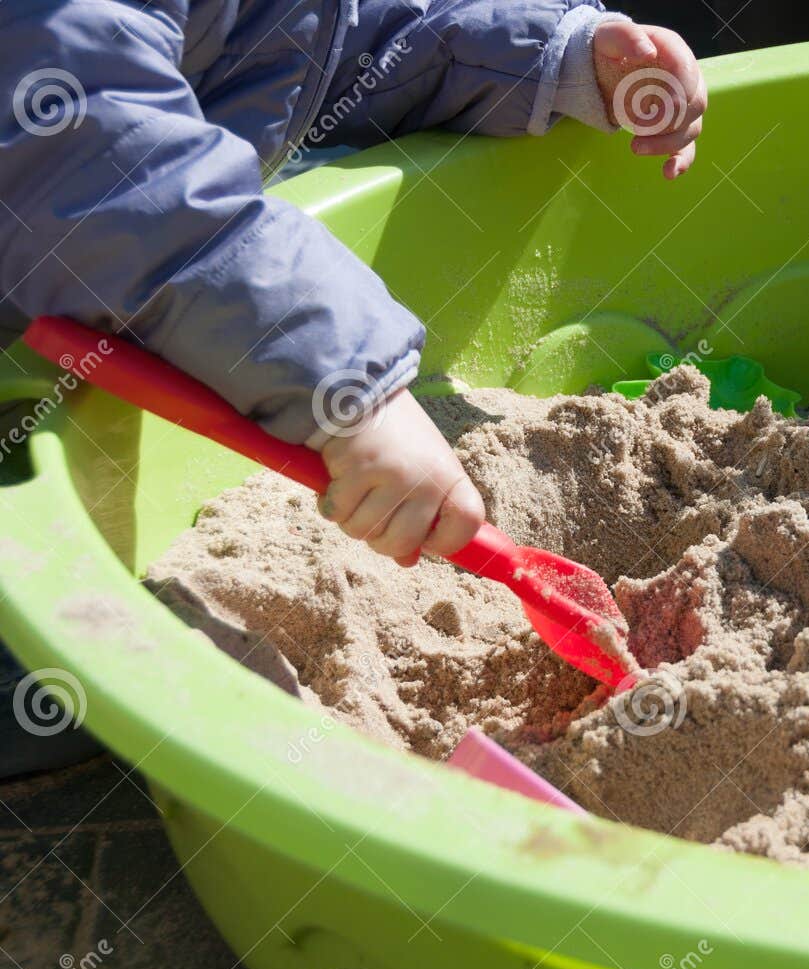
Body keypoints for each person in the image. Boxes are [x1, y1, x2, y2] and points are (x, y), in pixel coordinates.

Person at [0, 0, 706, 567]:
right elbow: (95, 163)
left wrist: (558, 58)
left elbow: (330, 41)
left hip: (86, 309)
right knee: (46, 675)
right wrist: (349, 388)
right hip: (35, 336)